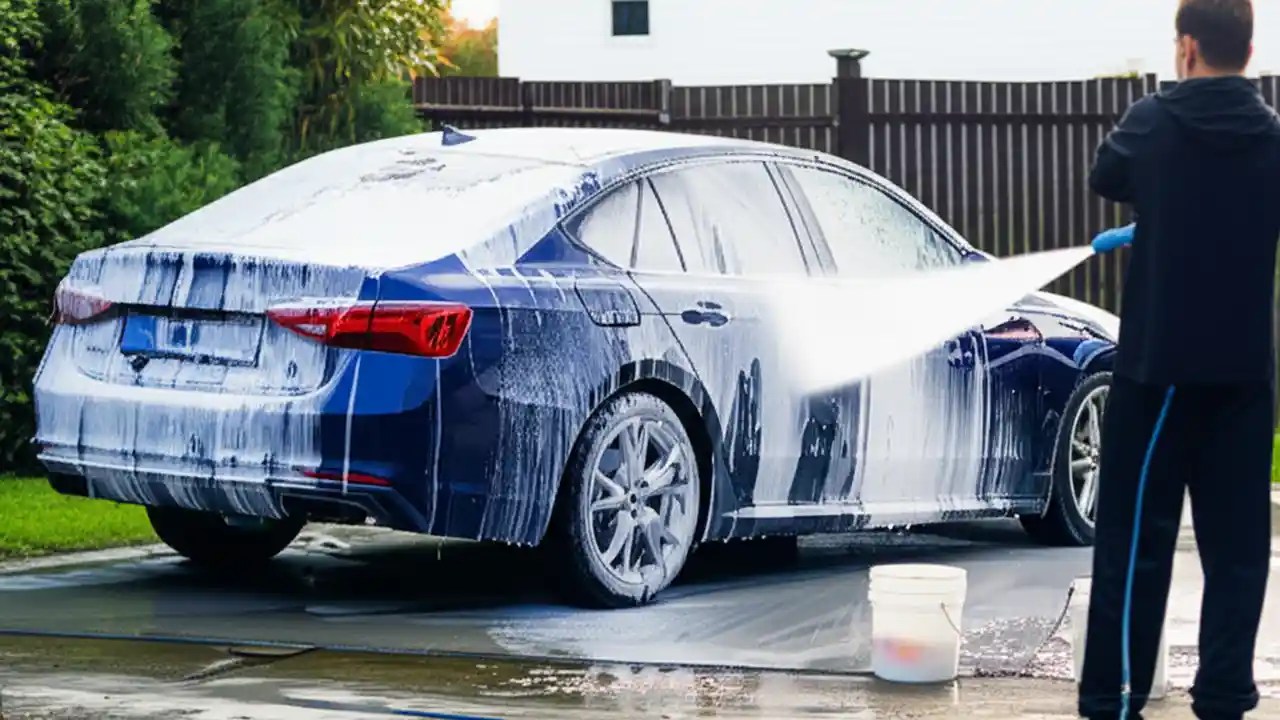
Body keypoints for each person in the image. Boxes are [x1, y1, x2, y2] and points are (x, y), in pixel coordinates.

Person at [1081, 1, 1280, 718]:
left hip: (1157, 374)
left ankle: (1116, 697)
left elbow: (1108, 174)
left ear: (1188, 47)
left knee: (1135, 545)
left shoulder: (1152, 122)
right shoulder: (1273, 137)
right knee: (1236, 553)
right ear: (1249, 48)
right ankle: (1224, 698)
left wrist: (1168, 195)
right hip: (1244, 380)